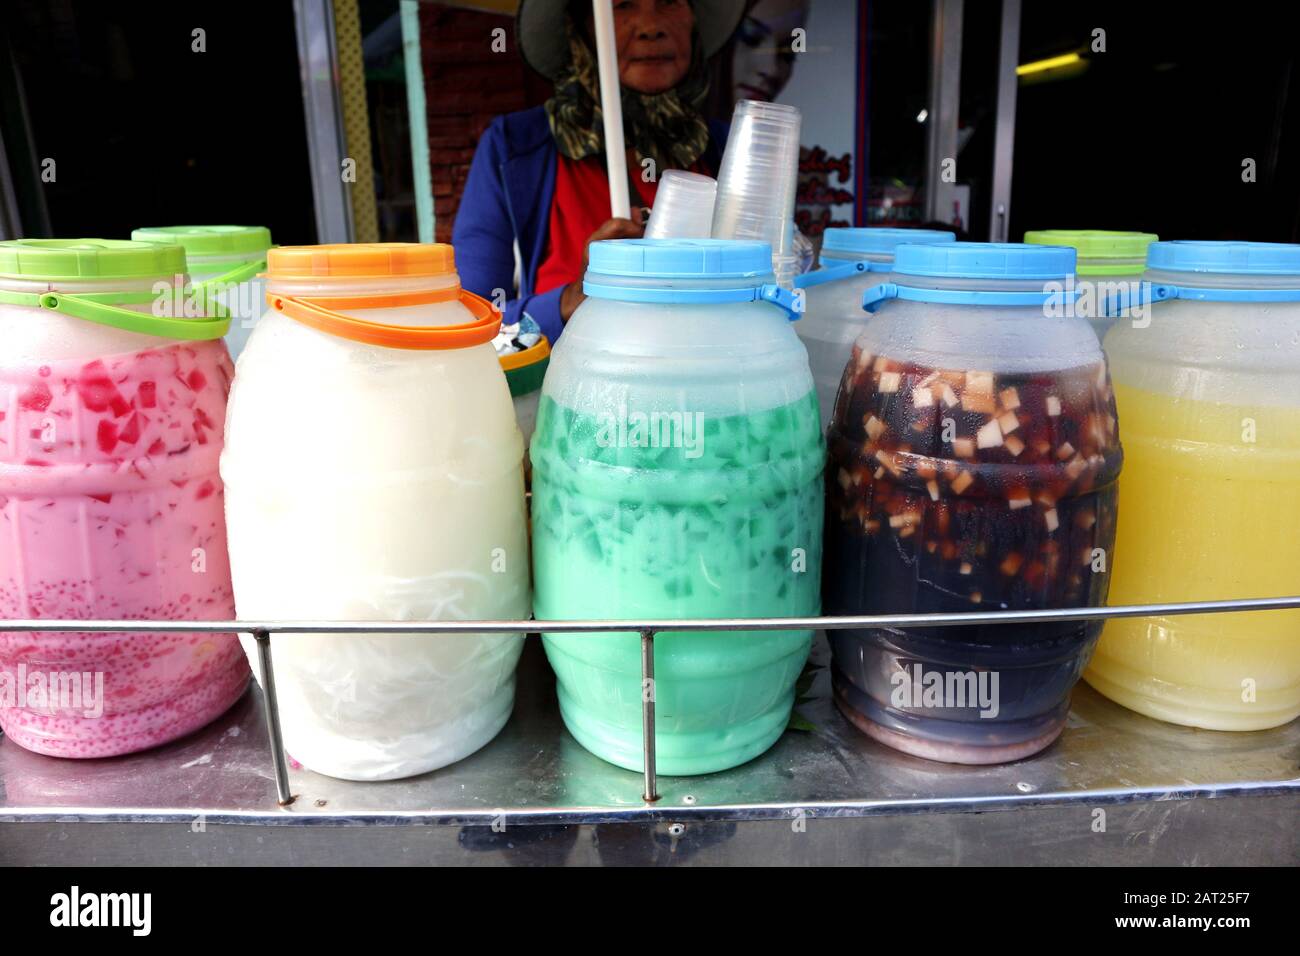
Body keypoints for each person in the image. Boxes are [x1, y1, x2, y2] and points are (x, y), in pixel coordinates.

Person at [453, 0, 745, 346]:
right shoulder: (514, 150)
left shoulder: (728, 150)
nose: (651, 26)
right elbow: (470, 323)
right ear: (582, 29)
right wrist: (571, 300)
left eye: (669, 1)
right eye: (622, 5)